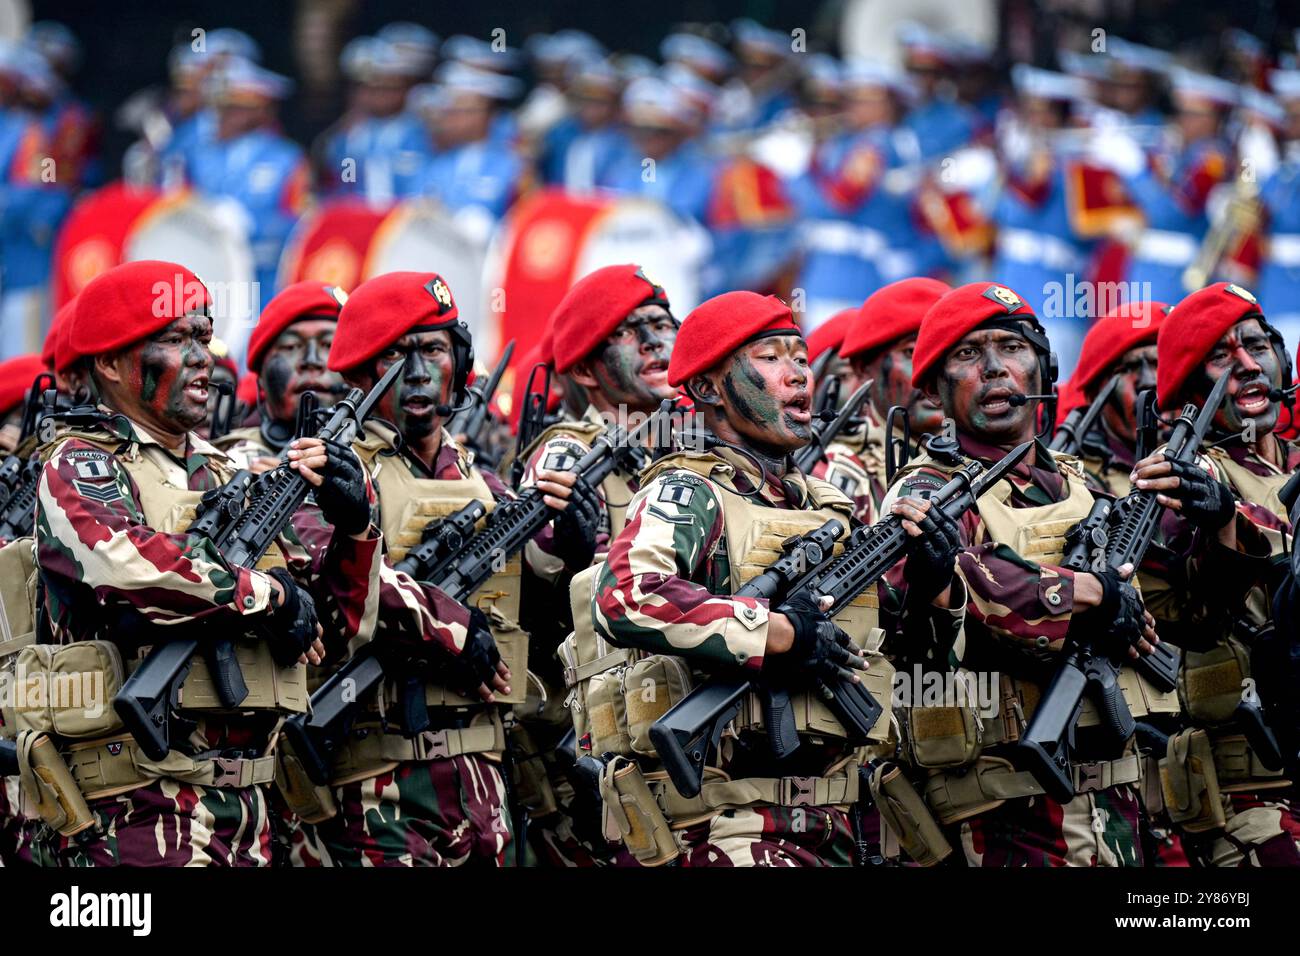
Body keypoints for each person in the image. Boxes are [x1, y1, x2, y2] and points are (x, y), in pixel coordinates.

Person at [25, 260, 380, 866]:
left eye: (203, 336)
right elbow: (124, 567)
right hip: (133, 810)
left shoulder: (230, 475)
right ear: (110, 364)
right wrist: (263, 597)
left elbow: (330, 631)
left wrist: (355, 529)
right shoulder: (81, 464)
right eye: (173, 339)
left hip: (248, 810)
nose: (201, 357)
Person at [588, 290, 957, 866]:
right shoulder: (687, 492)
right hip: (730, 828)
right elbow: (626, 595)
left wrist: (933, 589)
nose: (796, 375)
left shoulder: (826, 506)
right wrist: (779, 634)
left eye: (801, 358)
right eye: (770, 357)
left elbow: (894, 649)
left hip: (841, 822)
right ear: (709, 389)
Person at [881, 281, 1174, 866]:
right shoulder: (925, 491)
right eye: (968, 355)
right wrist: (1090, 592)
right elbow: (980, 579)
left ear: (1044, 367)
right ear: (939, 388)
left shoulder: (1081, 486)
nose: (994, 369)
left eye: (1011, 348)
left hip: (1117, 807)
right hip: (1004, 813)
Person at [310, 270, 594, 866]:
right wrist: (452, 628)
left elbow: (536, 584)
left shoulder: (479, 480)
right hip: (380, 782)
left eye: (433, 350)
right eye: (396, 354)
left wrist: (572, 545)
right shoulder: (334, 473)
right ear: (360, 372)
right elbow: (330, 580)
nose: (417, 372)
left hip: (485, 780)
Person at [1131, 281, 1300, 866]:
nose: (1249, 365)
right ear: (1189, 388)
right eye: (1222, 356)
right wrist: (1223, 523)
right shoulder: (1182, 480)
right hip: (1251, 794)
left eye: (1257, 345)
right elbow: (1190, 621)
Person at [827, 277, 952, 523]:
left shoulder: (988, 458)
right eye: (912, 352)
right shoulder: (837, 472)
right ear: (863, 368)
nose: (932, 371)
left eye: (948, 353)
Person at [215, 281, 348, 469]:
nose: (312, 361)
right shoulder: (222, 464)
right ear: (260, 375)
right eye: (291, 347)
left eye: (329, 345)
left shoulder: (390, 454)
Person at [1067, 301, 1168, 496]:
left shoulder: (1217, 458)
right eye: (1128, 368)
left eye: (1161, 363)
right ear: (1095, 394)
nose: (1150, 382)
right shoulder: (1076, 483)